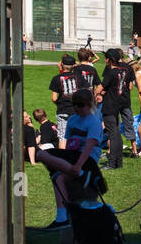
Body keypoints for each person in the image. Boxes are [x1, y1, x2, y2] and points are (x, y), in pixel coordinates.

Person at [35, 87, 104, 228]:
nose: (76, 107)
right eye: (74, 104)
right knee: (47, 161)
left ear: (89, 105)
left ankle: (62, 217)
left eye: (80, 105)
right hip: (72, 157)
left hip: (87, 161)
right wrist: (63, 161)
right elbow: (68, 144)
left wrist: (77, 166)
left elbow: (89, 148)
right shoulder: (72, 119)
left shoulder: (94, 122)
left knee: (44, 156)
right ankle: (61, 218)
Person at [100, 48, 135, 169]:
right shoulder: (126, 68)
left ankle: (112, 162)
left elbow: (101, 88)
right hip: (124, 101)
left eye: (106, 58)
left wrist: (96, 94)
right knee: (117, 133)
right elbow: (130, 86)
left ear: (111, 59)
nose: (105, 60)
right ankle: (118, 162)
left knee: (113, 133)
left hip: (111, 104)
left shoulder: (111, 71)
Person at [49, 53, 79, 146]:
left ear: (62, 65)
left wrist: (59, 104)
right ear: (74, 65)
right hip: (77, 110)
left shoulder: (56, 78)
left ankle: (63, 158)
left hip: (63, 110)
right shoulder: (78, 77)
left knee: (62, 136)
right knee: (76, 134)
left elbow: (54, 98)